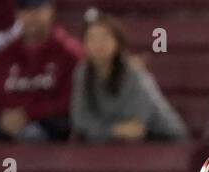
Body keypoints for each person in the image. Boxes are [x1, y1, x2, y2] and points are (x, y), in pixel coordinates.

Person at [0, 0, 82, 142]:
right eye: (25, 11)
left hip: (52, 127)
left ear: (51, 11)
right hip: (4, 125)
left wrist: (29, 113)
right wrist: (1, 116)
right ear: (17, 14)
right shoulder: (2, 57)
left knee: (32, 134)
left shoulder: (70, 53)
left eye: (37, 10)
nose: (31, 16)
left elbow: (72, 102)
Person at [71, 13, 186, 143]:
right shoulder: (82, 73)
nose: (98, 44)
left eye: (105, 37)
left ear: (118, 42)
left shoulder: (133, 73)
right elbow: (80, 119)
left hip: (162, 138)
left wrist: (101, 129)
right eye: (92, 38)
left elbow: (135, 128)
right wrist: (113, 130)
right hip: (114, 143)